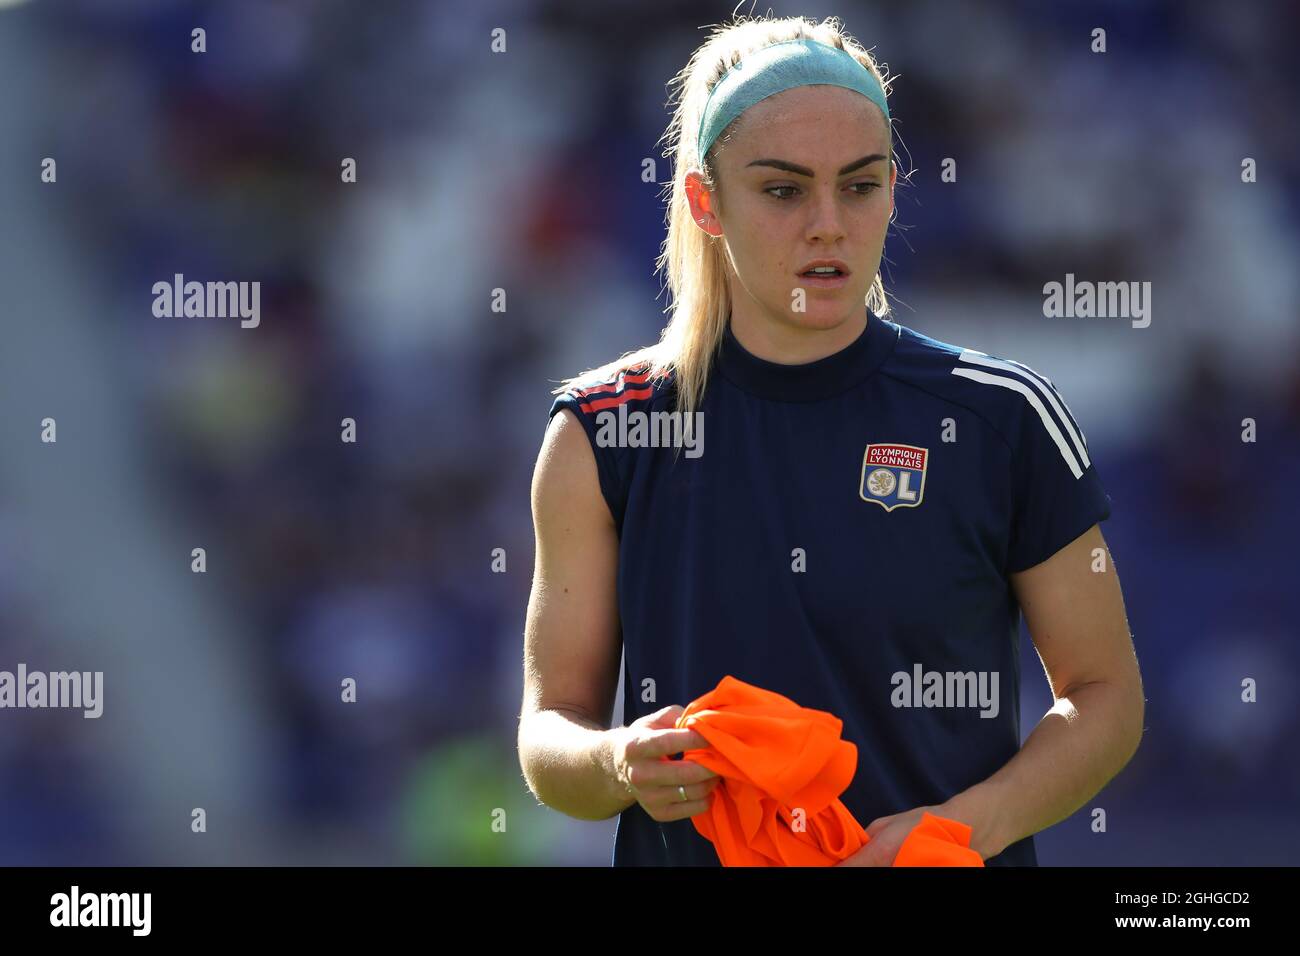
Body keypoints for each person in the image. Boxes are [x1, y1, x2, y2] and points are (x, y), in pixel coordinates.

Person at [517, 14, 1144, 866]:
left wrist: (963, 829)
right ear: (707, 201)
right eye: (782, 189)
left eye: (860, 185)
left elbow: (1105, 697)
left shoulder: (1003, 417)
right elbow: (551, 732)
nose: (827, 224)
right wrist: (619, 762)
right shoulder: (603, 431)